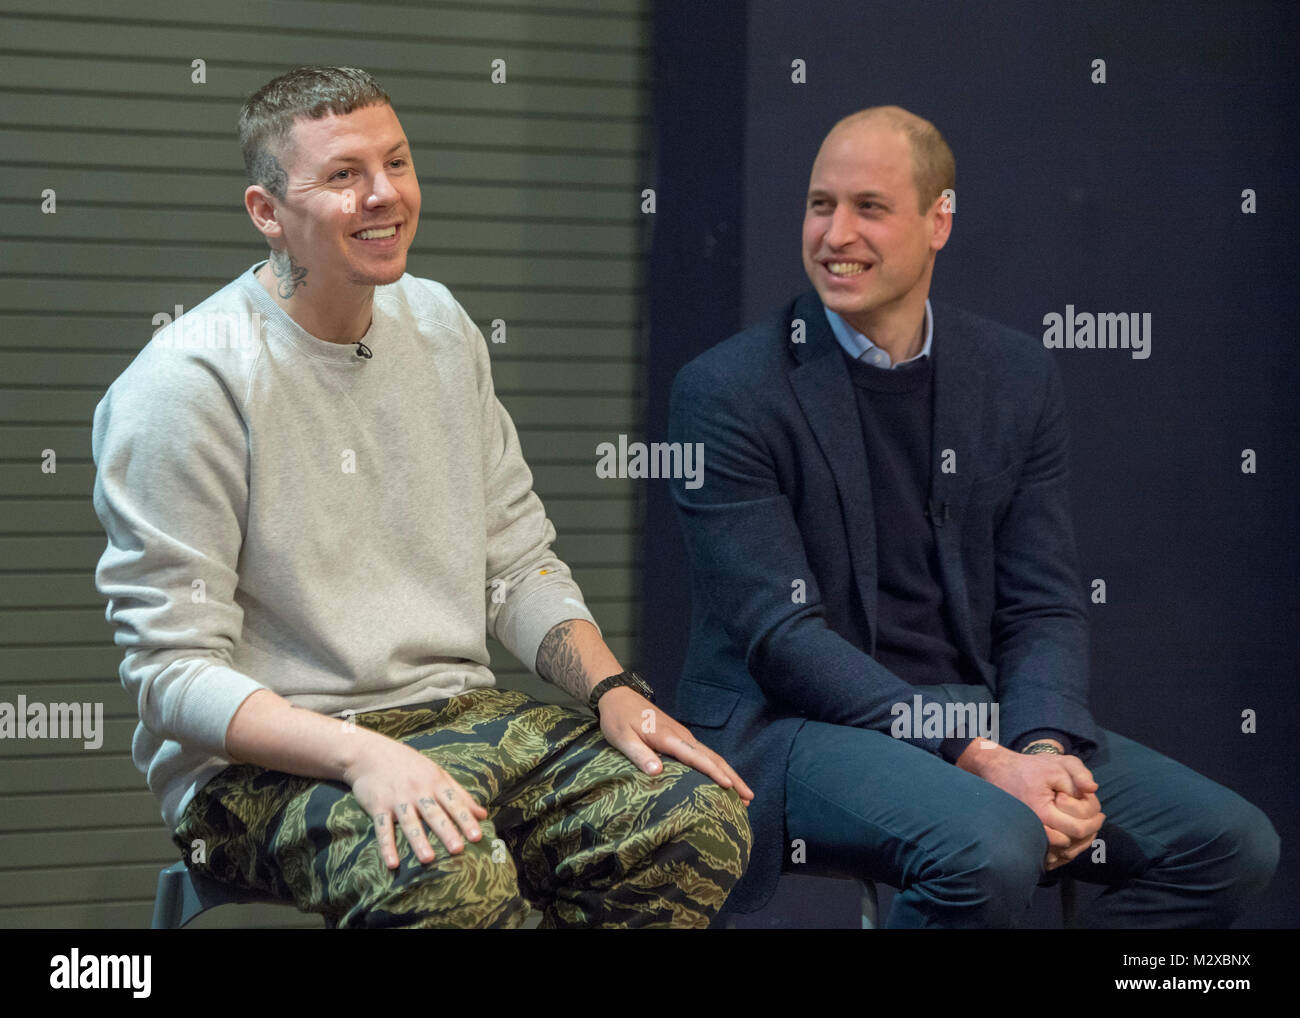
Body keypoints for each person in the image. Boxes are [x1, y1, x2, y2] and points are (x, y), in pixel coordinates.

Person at [90, 65, 751, 929]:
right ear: (267, 213)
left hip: (457, 715)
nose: (383, 195)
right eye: (342, 176)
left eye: (396, 163)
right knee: (449, 871)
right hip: (260, 769)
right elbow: (171, 676)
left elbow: (515, 564)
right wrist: (360, 755)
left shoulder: (439, 324)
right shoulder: (186, 382)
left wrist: (614, 691)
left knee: (694, 818)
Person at [665, 105, 1278, 927]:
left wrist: (1042, 750)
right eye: (820, 205)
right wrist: (975, 756)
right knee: (990, 843)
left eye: (869, 207)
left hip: (982, 717)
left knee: (1231, 843)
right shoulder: (727, 391)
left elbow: (1044, 603)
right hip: (793, 724)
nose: (835, 233)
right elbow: (782, 640)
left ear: (939, 220)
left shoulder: (1015, 375)